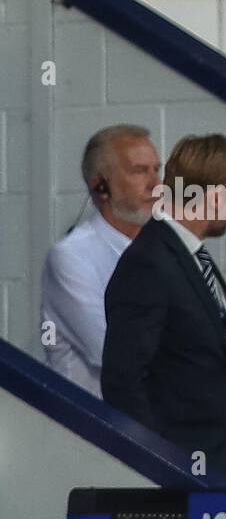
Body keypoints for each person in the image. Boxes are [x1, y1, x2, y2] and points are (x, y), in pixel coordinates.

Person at [101, 135, 226, 482]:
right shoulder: (149, 262)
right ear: (215, 197)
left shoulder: (192, 256)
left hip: (217, 457)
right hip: (178, 467)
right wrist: (160, 464)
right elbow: (124, 380)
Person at [41, 125, 161, 396]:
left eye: (156, 169)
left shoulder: (163, 247)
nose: (157, 184)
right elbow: (115, 352)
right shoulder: (71, 257)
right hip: (93, 431)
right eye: (140, 171)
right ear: (101, 185)